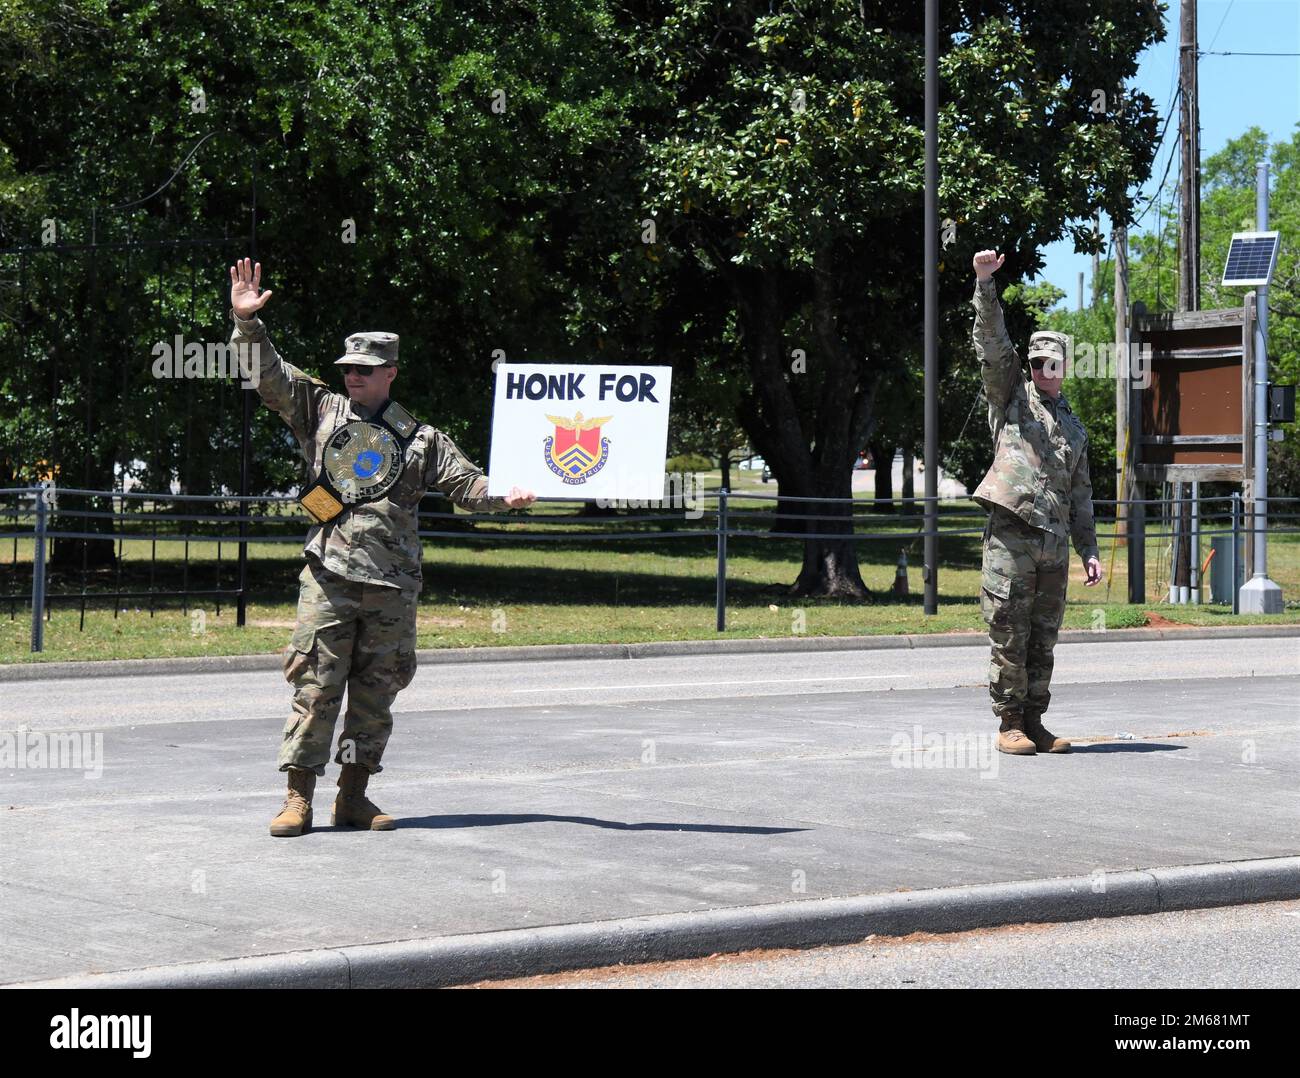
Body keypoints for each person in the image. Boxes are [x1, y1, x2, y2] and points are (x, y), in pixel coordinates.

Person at [226, 258, 536, 835]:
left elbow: (469, 485)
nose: (353, 376)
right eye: (348, 368)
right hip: (329, 576)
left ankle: (354, 796)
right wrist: (248, 325)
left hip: (392, 586)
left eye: (366, 370)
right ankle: (298, 799)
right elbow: (265, 375)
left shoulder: (422, 439)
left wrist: (508, 495)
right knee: (316, 686)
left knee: (375, 695)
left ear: (391, 372)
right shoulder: (318, 409)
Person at [970, 249, 1102, 756]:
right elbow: (992, 346)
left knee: (1043, 636)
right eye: (1037, 362)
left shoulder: (1074, 427)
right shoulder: (1011, 399)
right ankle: (1008, 723)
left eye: (1054, 362)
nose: (1045, 369)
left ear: (1065, 367)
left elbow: (1082, 496)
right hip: (1013, 533)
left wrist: (1089, 549)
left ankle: (1035, 720)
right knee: (1008, 629)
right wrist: (986, 285)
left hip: (1054, 543)